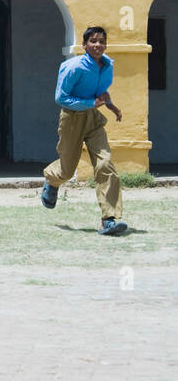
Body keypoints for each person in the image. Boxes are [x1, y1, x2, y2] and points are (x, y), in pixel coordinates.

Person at [40, 26, 127, 235]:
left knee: (105, 164)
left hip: (93, 119)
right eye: (93, 41)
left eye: (102, 41)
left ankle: (110, 219)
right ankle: (52, 179)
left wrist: (110, 105)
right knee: (67, 170)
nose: (98, 45)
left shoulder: (107, 65)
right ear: (84, 45)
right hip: (72, 118)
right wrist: (90, 102)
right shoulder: (73, 66)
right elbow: (61, 97)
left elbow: (100, 91)